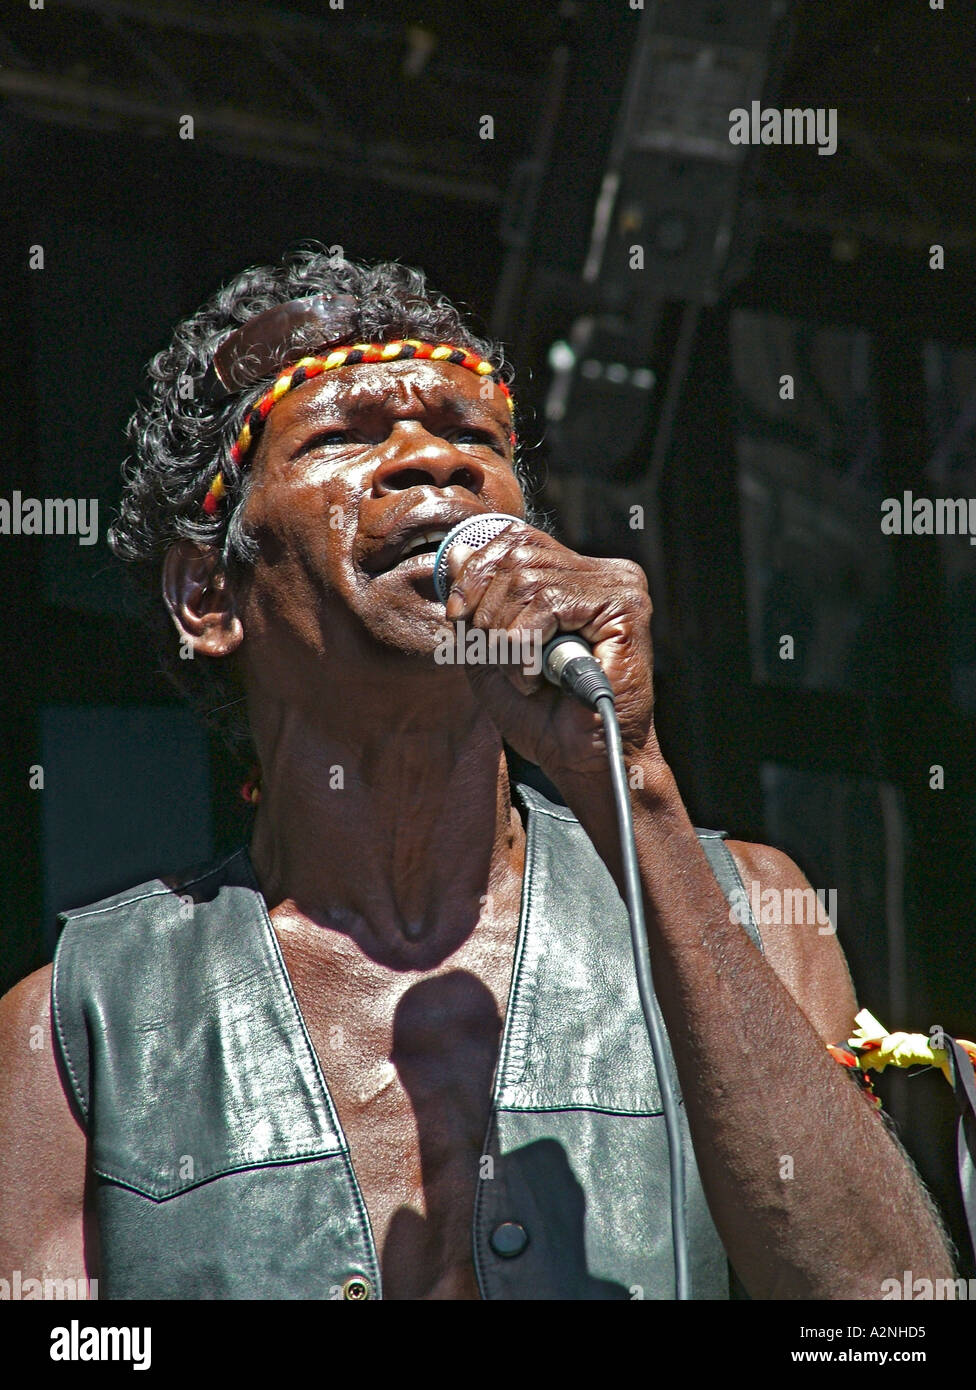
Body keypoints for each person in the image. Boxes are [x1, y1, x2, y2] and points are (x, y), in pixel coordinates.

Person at [0, 249, 956, 1301]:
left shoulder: (753, 912)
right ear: (208, 597)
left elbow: (881, 1321)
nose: (430, 461)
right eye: (343, 437)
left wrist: (631, 779)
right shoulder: (78, 1025)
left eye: (473, 439)